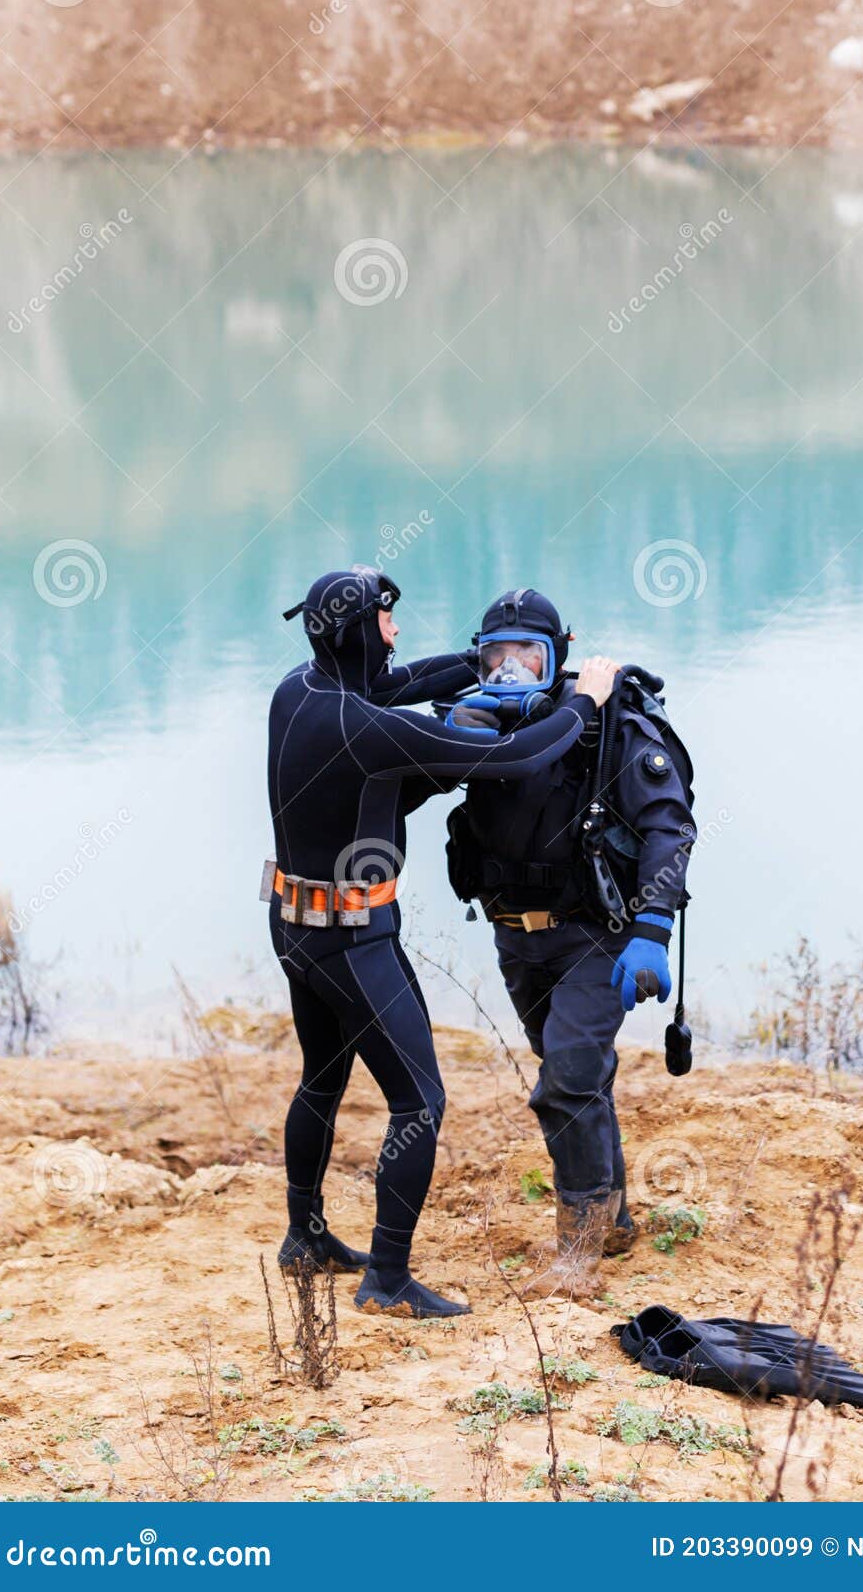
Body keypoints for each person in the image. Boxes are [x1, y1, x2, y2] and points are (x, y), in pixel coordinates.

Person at [264, 565, 619, 1319]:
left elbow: (401, 684)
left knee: (321, 1081)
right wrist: (582, 699)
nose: (395, 632)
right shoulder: (363, 726)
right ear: (359, 631)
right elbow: (515, 758)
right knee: (419, 1102)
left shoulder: (300, 689)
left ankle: (306, 1237)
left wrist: (489, 660)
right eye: (386, 621)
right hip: (353, 938)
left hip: (293, 925)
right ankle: (389, 1280)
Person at [442, 588, 694, 1299]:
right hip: (515, 936)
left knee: (567, 1083)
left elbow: (669, 828)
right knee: (577, 1076)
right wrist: (451, 734)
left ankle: (577, 1257)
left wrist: (652, 930)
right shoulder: (475, 725)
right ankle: (612, 1218)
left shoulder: (609, 725)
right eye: (496, 653)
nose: (510, 667)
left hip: (597, 936)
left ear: (559, 656)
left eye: (528, 653)